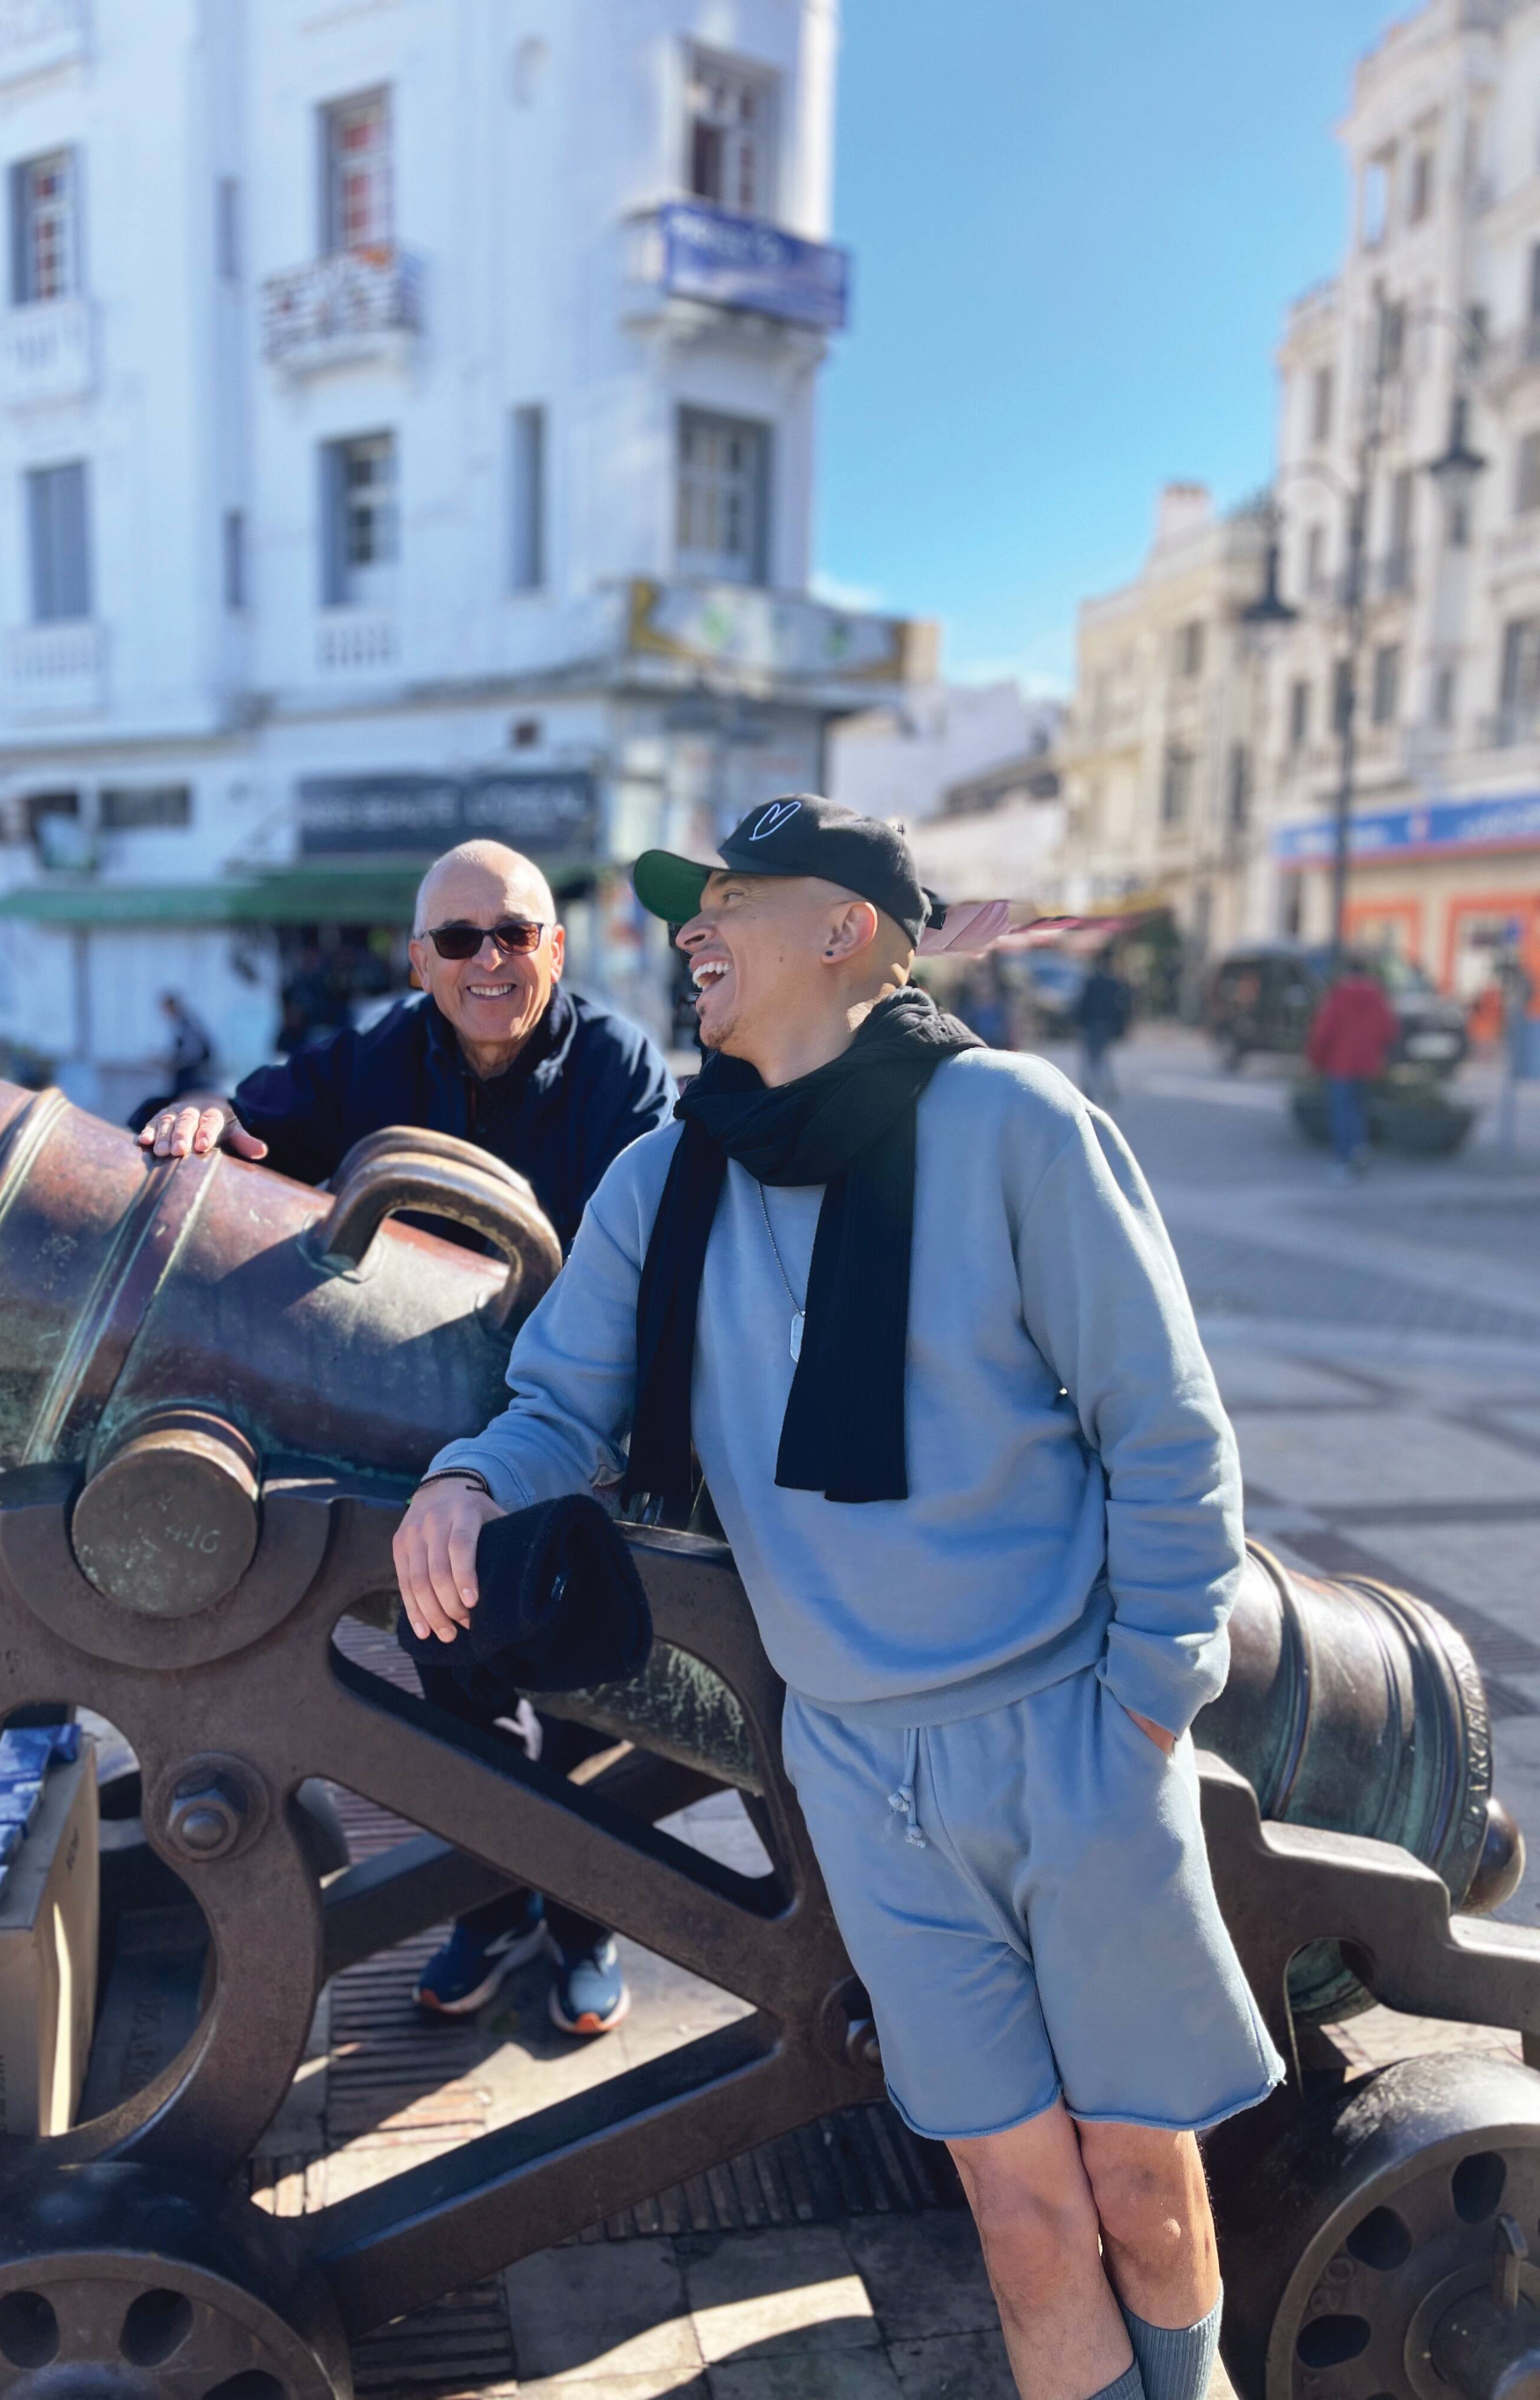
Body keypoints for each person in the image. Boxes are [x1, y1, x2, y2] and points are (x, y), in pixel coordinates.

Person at [394, 793, 1279, 2400]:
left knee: (1143, 2192)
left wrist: (1148, 1696)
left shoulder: (1015, 1127)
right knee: (1020, 2218)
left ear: (847, 929)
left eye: (729, 902)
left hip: (1074, 1735)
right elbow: (558, 1408)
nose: (692, 936)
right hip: (865, 1773)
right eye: (687, 909)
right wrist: (465, 1484)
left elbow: (1165, 1434)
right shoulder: (669, 1183)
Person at [137, 840, 674, 2037]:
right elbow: (267, 1115)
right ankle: (487, 1909)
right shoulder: (384, 1055)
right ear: (420, 960)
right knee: (453, 1705)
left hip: (577, 1435)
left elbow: (668, 1244)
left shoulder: (621, 1069)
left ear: (558, 947)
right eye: (458, 940)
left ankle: (585, 1928)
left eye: (515, 933)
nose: (489, 960)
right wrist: (209, 1114)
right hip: (424, 1446)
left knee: (586, 1705)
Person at [1305, 955, 1398, 1179]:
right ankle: (1359, 1150)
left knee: (1342, 1113)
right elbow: (1389, 1030)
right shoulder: (1377, 996)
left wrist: (1315, 1061)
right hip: (1367, 1064)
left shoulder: (1339, 996)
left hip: (1341, 1064)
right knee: (1358, 1109)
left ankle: (1343, 1162)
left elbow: (1324, 1033)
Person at [1073, 954, 1132, 1108]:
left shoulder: (1091, 983)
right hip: (1106, 1025)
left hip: (1092, 1024)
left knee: (1090, 1060)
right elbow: (1120, 1007)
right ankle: (1107, 1090)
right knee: (1103, 1059)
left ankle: (1091, 1091)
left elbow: (1083, 1004)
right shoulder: (1113, 984)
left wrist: (1079, 1023)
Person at [160, 991, 214, 1099]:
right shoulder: (181, 1023)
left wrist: (173, 1063)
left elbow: (193, 1052)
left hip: (192, 1074)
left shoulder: (186, 1023)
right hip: (190, 1072)